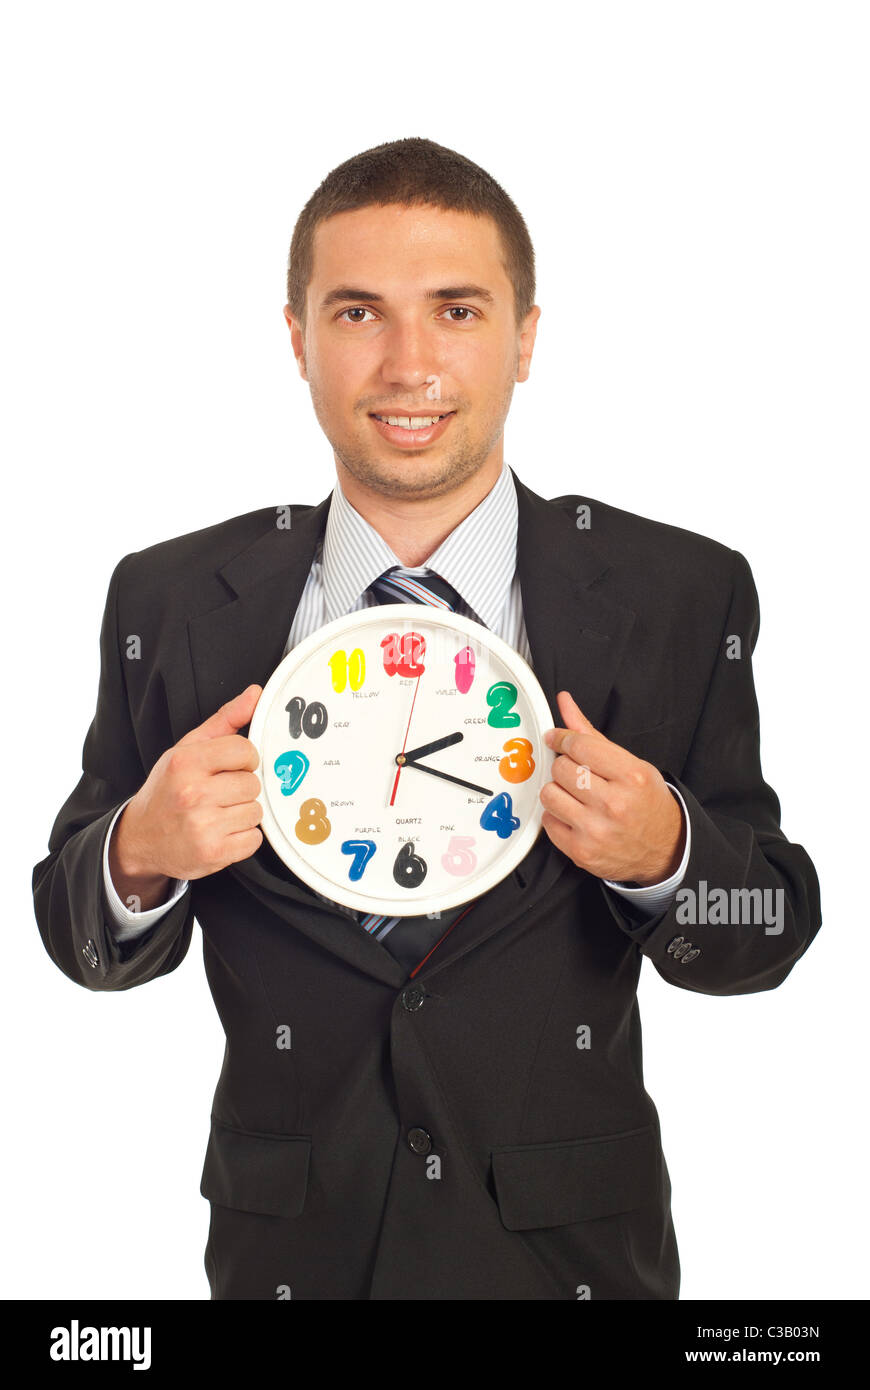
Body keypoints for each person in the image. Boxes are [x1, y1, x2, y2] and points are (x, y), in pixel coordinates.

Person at [32, 136, 822, 1301]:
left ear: (527, 336)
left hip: (571, 1259)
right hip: (291, 1257)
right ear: (298, 338)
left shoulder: (676, 593)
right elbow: (77, 930)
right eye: (357, 313)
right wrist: (137, 856)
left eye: (456, 309)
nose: (409, 363)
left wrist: (670, 854)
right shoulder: (170, 599)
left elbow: (767, 926)